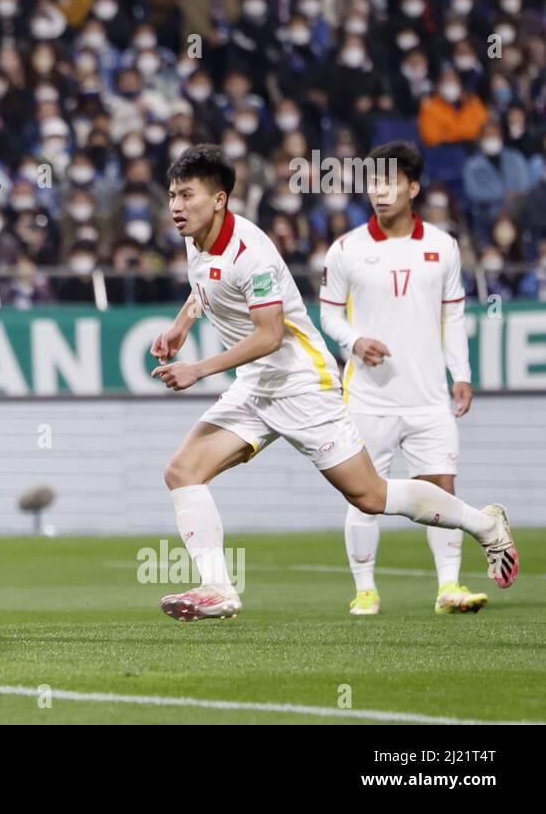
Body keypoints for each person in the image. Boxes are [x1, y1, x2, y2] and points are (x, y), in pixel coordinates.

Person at [149, 144, 518, 621]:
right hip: (256, 387)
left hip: (301, 383)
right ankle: (218, 587)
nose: (176, 207)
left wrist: (198, 368)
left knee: (371, 495)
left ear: (219, 199)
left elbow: (269, 335)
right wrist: (182, 323)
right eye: (173, 195)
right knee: (182, 472)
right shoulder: (195, 237)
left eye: (187, 196)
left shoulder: (251, 253)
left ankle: (484, 524)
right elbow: (206, 285)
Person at [320, 140, 484, 615]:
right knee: (363, 493)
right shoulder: (346, 249)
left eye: (390, 182)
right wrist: (354, 343)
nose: (381, 192)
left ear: (413, 187)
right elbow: (329, 316)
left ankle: (449, 588)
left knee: (441, 490)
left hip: (429, 397)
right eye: (374, 183)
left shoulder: (443, 247)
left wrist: (462, 374)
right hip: (368, 397)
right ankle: (365, 590)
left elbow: (453, 316)